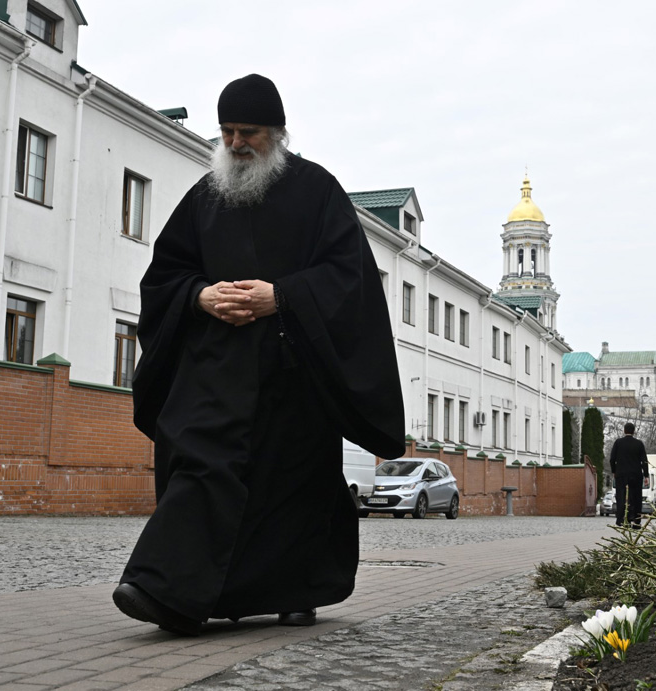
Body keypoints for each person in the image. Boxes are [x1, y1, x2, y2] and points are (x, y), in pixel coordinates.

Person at [112, 74, 405, 636]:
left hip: (293, 368)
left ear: (276, 133)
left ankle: (298, 592)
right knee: (199, 462)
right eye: (227, 132)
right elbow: (165, 275)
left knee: (291, 485)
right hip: (216, 369)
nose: (236, 143)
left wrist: (283, 296)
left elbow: (352, 278)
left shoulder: (318, 190)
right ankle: (163, 590)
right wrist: (199, 296)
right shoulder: (205, 196)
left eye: (248, 132)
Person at [609, 422, 649, 528]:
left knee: (621, 496)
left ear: (624, 430)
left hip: (621, 474)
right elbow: (644, 461)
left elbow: (612, 459)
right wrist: (646, 475)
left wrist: (614, 471)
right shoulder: (639, 444)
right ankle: (636, 521)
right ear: (634, 431)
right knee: (636, 497)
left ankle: (622, 519)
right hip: (636, 474)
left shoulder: (618, 443)